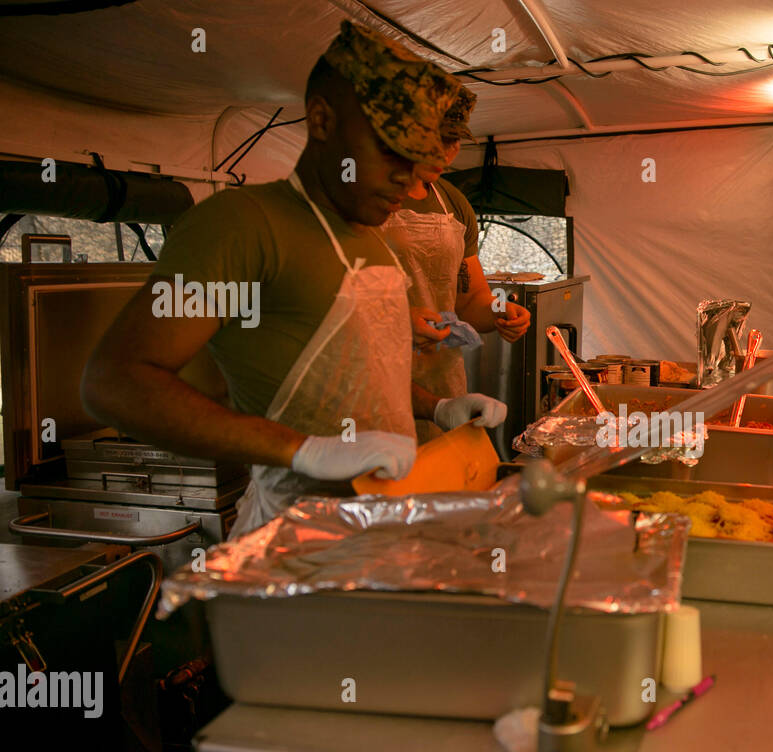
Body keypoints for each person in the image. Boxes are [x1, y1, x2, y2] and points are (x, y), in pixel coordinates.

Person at [81, 21, 506, 539]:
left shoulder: (373, 239)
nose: (409, 176)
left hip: (381, 526)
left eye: (419, 160)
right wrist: (302, 449)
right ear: (323, 120)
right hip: (293, 538)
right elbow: (116, 381)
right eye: (391, 153)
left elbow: (363, 376)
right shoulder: (243, 226)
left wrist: (436, 408)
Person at [382, 85, 532, 441]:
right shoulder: (370, 197)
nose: (447, 153)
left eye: (454, 141)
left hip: (441, 378)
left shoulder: (453, 202)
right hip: (377, 374)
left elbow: (470, 297)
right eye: (438, 139)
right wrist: (402, 316)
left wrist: (500, 309)